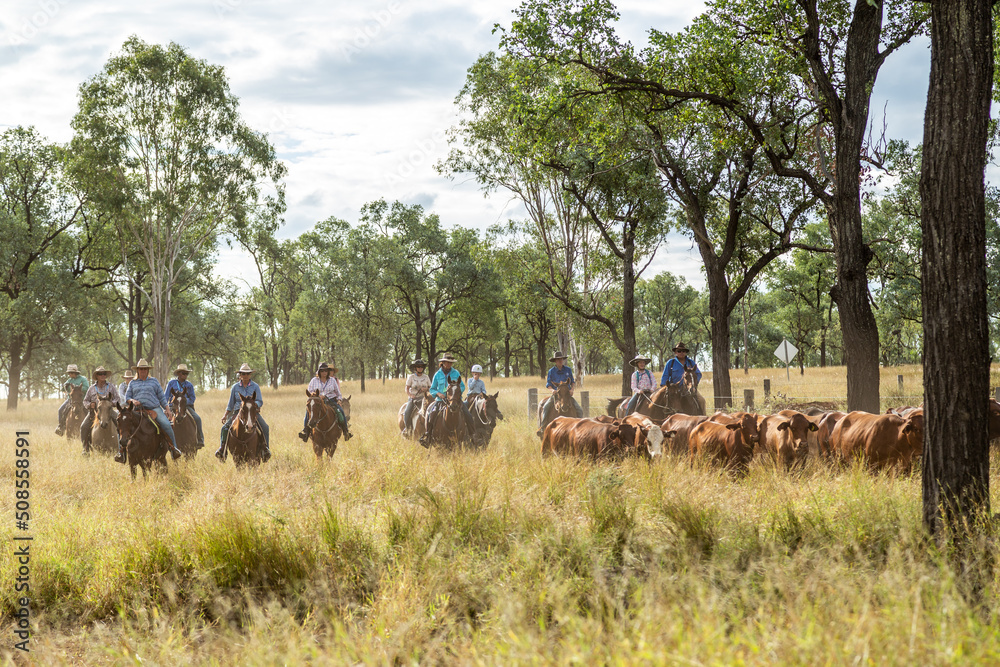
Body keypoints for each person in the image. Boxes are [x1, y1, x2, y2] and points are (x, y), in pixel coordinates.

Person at [119, 358, 183, 463]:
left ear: (148, 370)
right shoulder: (132, 383)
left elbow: (162, 397)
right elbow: (127, 397)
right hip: (137, 410)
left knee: (166, 425)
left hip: (154, 408)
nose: (143, 371)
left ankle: (173, 449)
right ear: (138, 370)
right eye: (141, 369)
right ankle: (121, 452)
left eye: (145, 369)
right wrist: (133, 401)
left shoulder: (154, 381)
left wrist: (167, 409)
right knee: (122, 424)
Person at [419, 353, 477, 446]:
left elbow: (462, 386)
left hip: (455, 400)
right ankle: (428, 436)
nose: (449, 364)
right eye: (447, 362)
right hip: (440, 400)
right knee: (431, 414)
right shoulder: (437, 374)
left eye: (451, 362)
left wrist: (456, 393)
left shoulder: (456, 373)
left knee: (468, 414)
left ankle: (472, 436)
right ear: (443, 362)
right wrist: (438, 394)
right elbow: (432, 389)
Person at [217, 363, 271, 462]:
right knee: (224, 428)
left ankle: (265, 449)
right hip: (238, 412)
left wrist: (254, 405)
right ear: (240, 375)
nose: (245, 376)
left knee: (265, 427)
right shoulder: (235, 387)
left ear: (250, 375)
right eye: (243, 374)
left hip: (252, 411)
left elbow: (260, 401)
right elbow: (231, 403)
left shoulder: (255, 386)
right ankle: (222, 450)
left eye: (247, 374)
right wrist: (225, 415)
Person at [298, 362, 352, 442]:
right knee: (308, 412)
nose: (324, 373)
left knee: (340, 412)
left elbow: (338, 393)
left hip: (331, 400)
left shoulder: (332, 380)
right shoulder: (314, 380)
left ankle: (346, 432)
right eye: (322, 371)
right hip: (317, 402)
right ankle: (305, 431)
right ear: (319, 372)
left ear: (328, 372)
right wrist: (317, 396)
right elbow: (309, 392)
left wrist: (339, 400)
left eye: (326, 371)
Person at [537, 351, 584, 436]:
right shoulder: (551, 371)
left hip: (567, 395)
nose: (560, 361)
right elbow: (548, 385)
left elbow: (572, 382)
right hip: (556, 395)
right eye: (558, 359)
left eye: (561, 359)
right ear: (555, 361)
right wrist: (553, 391)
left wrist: (572, 390)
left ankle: (581, 429)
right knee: (546, 407)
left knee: (579, 409)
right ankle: (542, 428)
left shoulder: (568, 370)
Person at [80, 366, 120, 455]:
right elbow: (85, 400)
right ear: (97, 376)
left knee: (121, 424)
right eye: (100, 374)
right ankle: (85, 448)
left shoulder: (111, 386)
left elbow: (118, 399)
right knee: (83, 427)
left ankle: (122, 448)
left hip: (109, 411)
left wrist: (111, 403)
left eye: (104, 374)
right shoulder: (92, 388)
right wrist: (90, 405)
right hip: (94, 412)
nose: (102, 375)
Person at [164, 363, 205, 450]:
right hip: (173, 407)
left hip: (186, 406)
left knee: (197, 418)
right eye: (184, 373)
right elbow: (166, 396)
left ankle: (200, 439)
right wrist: (167, 406)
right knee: (163, 421)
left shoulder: (189, 385)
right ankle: (162, 442)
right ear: (179, 373)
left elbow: (192, 398)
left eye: (187, 373)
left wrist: (184, 402)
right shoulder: (171, 383)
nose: (186, 375)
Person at [54, 364, 89, 436]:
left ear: (76, 373)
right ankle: (61, 427)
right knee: (60, 410)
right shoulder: (69, 380)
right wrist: (64, 387)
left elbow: (86, 388)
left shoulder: (83, 379)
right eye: (69, 373)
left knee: (89, 411)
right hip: (70, 400)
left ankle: (91, 427)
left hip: (82, 400)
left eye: (71, 373)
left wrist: (76, 388)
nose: (70, 374)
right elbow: (63, 389)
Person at [401, 359, 431, 437]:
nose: (420, 368)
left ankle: (430, 430)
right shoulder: (411, 377)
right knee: (407, 411)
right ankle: (407, 429)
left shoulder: (426, 377)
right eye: (418, 366)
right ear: (415, 368)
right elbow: (406, 388)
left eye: (421, 366)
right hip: (413, 398)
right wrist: (411, 395)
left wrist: (426, 389)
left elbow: (430, 388)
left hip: (424, 398)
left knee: (431, 411)